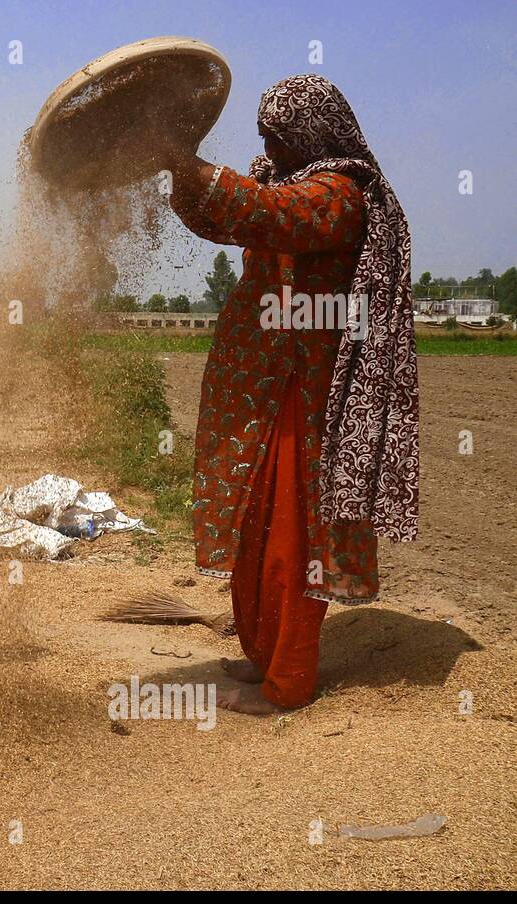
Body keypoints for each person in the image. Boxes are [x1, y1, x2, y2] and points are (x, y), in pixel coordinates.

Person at [165, 75, 419, 714]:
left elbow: (268, 214)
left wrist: (185, 160)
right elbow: (220, 218)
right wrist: (175, 167)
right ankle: (260, 652)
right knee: (256, 528)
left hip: (307, 394)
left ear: (308, 134)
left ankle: (289, 681)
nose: (268, 151)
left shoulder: (340, 195)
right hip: (264, 385)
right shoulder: (281, 183)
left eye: (277, 140)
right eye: (264, 140)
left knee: (293, 536)